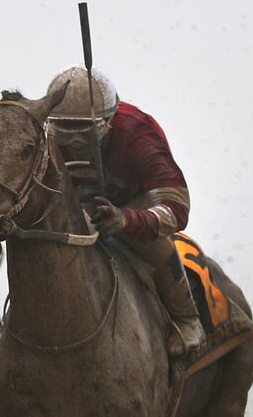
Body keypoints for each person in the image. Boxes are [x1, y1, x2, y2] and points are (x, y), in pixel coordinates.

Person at [45, 66, 205, 357]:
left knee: (149, 240)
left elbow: (177, 207)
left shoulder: (137, 133)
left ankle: (186, 317)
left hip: (132, 202)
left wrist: (127, 219)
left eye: (86, 132)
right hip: (75, 204)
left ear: (109, 121)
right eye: (66, 132)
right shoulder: (45, 138)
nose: (76, 143)